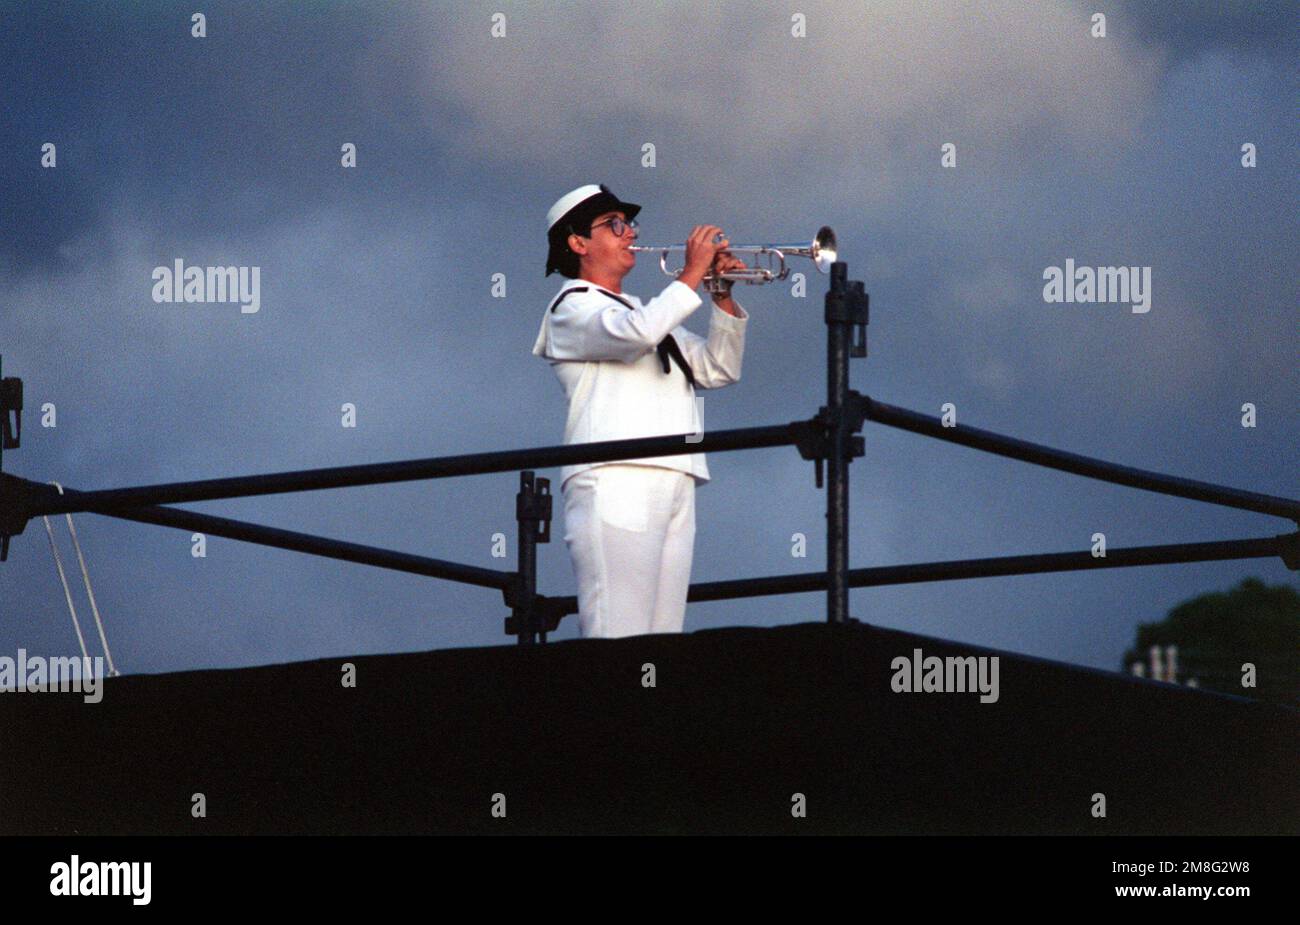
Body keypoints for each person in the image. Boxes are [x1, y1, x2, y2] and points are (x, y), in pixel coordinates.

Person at [531, 183, 750, 638]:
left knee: (663, 639)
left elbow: (717, 368)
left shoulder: (641, 310)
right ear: (577, 243)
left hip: (676, 474)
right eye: (613, 225)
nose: (629, 233)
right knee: (618, 632)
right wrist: (691, 273)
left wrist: (722, 294)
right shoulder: (571, 307)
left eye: (628, 223)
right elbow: (636, 334)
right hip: (616, 475)